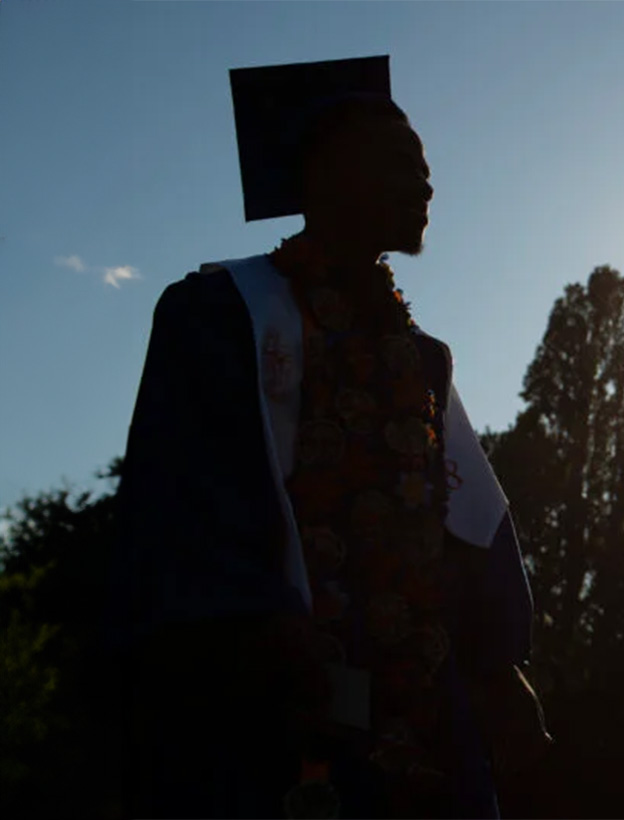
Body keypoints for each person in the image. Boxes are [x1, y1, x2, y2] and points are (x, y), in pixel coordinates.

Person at [114, 55, 549, 819]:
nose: (425, 187)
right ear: (324, 174)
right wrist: (261, 626)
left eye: (426, 171)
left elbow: (466, 521)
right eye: (400, 163)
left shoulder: (421, 357)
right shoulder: (219, 312)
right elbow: (180, 495)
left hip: (415, 691)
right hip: (267, 688)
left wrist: (497, 662)